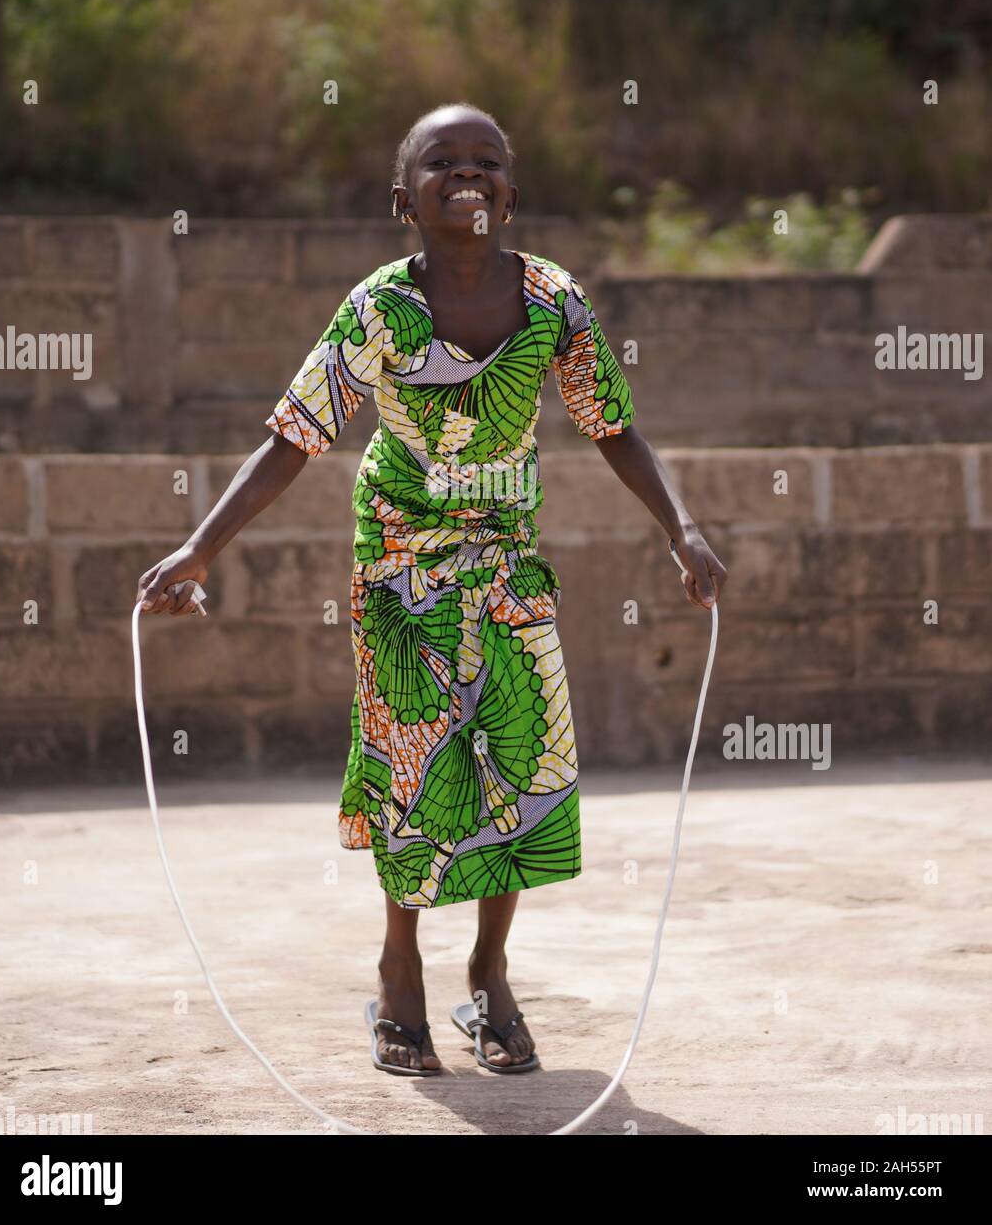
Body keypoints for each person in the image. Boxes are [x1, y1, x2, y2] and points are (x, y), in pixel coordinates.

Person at [136, 101, 727, 1079]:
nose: (469, 173)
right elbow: (295, 434)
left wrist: (685, 529)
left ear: (512, 189)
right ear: (400, 199)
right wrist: (200, 548)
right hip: (399, 569)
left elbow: (611, 425)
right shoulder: (377, 309)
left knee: (527, 758)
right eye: (441, 161)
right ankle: (399, 967)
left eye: (487, 160)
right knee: (413, 767)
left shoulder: (554, 301)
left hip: (506, 561)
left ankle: (490, 972)